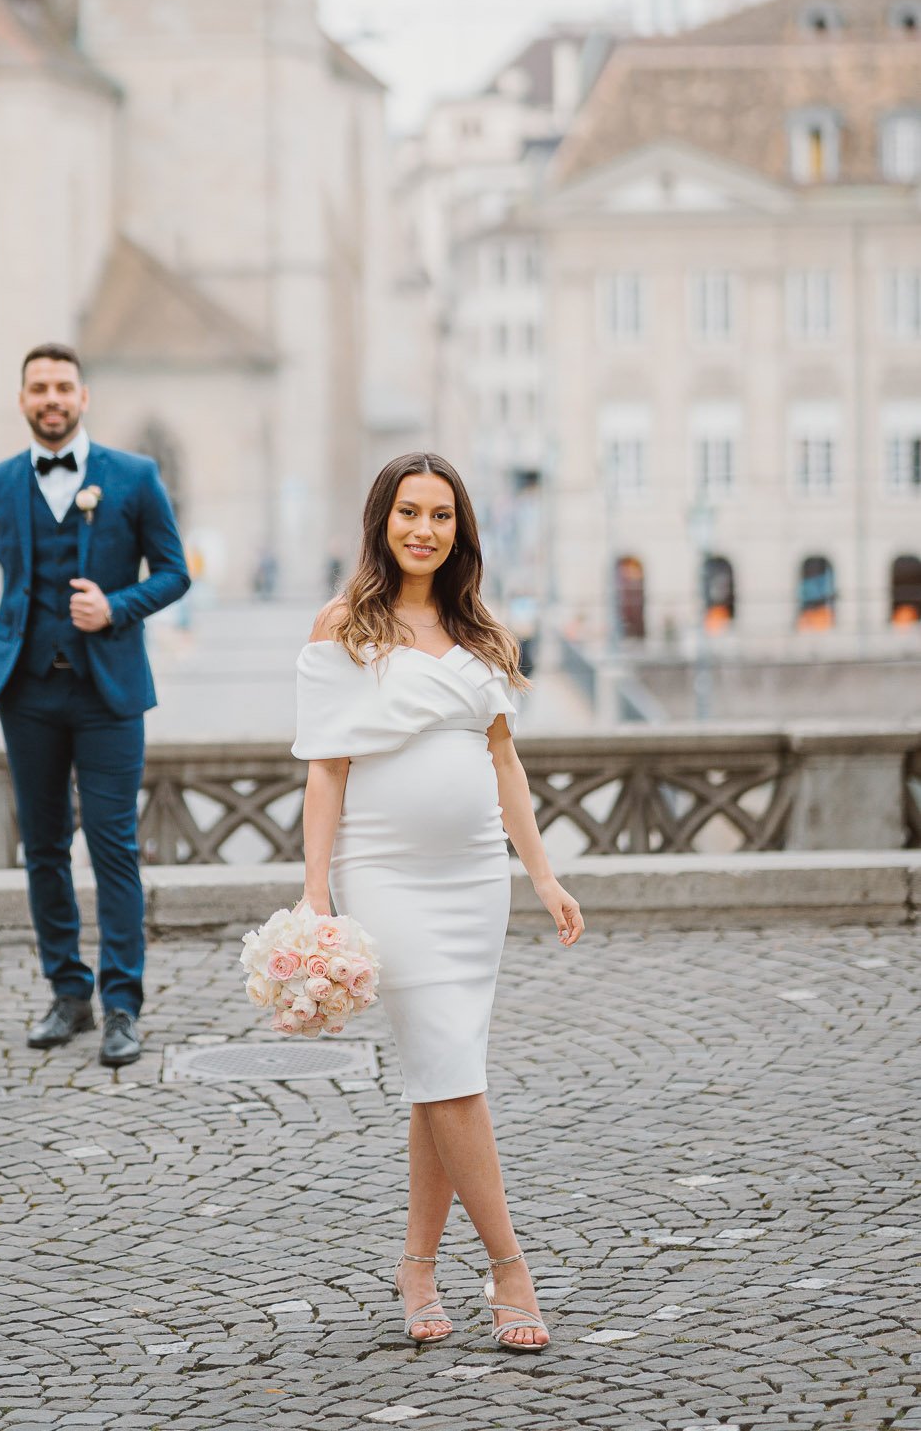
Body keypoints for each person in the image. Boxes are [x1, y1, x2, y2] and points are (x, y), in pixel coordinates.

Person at [292, 451, 584, 1349]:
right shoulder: (345, 624)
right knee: (452, 1071)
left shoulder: (482, 629)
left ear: (461, 530)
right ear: (382, 520)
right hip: (386, 878)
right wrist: (315, 894)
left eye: (442, 515)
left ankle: (416, 1269)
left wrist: (540, 872)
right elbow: (324, 772)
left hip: (473, 882)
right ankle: (509, 1268)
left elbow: (505, 765)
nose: (424, 529)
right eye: (409, 512)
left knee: (438, 1074)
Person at [0, 344, 190, 1066]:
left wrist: (115, 607)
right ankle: (67, 993)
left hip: (108, 691)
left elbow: (175, 574)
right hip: (25, 693)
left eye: (62, 387)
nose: (50, 398)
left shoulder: (133, 476)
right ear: (23, 400)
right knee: (44, 849)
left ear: (83, 397)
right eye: (37, 388)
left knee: (113, 847)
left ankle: (122, 1004)